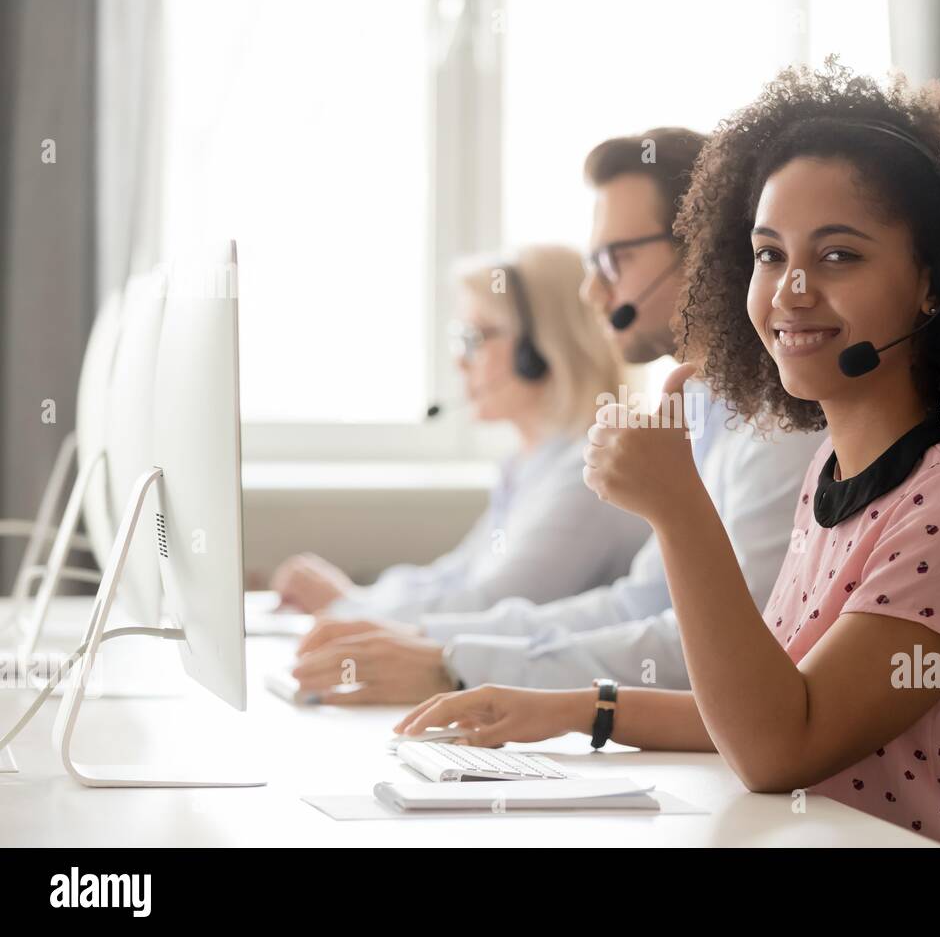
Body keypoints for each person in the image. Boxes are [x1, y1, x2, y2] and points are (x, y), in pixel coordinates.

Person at [391, 64, 940, 848]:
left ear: (932, 285)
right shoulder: (833, 475)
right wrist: (577, 709)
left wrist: (676, 504)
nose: (791, 289)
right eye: (770, 254)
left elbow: (779, 749)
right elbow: (776, 700)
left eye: (839, 256)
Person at [288, 127, 825, 703]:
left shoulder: (783, 425)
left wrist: (455, 665)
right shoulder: (703, 405)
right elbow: (639, 603)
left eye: (613, 260)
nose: (592, 293)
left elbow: (718, 656)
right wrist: (433, 646)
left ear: (704, 253)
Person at [271, 245, 650, 628]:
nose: (459, 360)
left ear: (536, 351)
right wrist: (355, 600)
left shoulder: (590, 473)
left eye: (475, 337)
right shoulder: (530, 465)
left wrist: (346, 609)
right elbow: (452, 577)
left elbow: (490, 606)